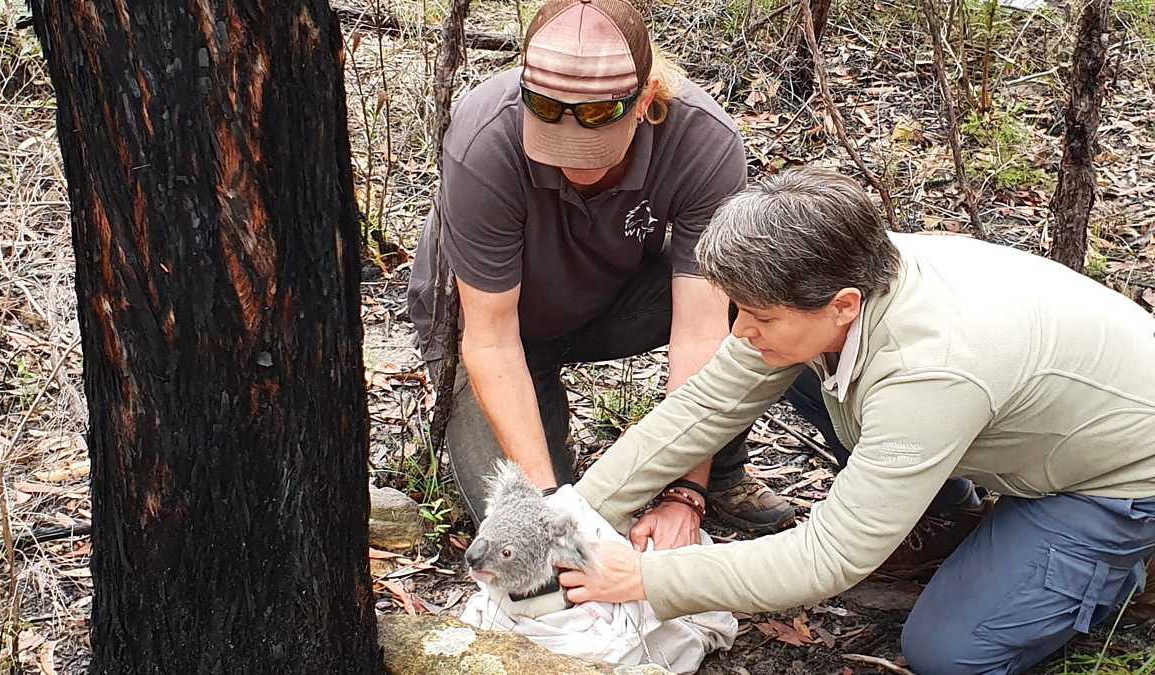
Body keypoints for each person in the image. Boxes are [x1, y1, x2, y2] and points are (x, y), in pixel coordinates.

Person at [558, 167, 1155, 674]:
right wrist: (572, 516)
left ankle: (1113, 567)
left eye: (759, 315)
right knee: (785, 359)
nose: (740, 331)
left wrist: (648, 579)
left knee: (949, 652)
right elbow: (706, 404)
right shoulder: (840, 273)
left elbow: (828, 558)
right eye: (737, 309)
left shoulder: (932, 369)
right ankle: (946, 516)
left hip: (1116, 477)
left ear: (844, 303)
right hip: (1016, 421)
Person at [407, 0, 801, 544]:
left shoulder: (700, 142)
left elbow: (702, 329)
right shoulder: (486, 141)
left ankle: (722, 472)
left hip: (607, 301)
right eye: (549, 121)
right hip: (486, 331)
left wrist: (683, 489)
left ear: (644, 101)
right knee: (542, 541)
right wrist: (548, 502)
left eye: (596, 127)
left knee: (754, 300)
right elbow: (491, 339)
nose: (575, 156)